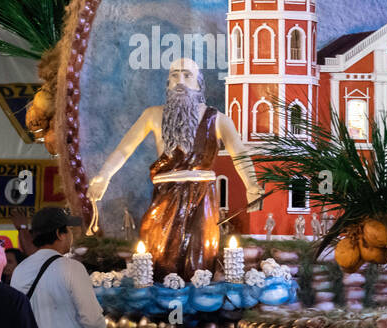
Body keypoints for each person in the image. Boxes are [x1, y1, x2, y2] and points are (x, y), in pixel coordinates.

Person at [87, 58, 263, 278]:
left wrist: (252, 185)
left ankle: (198, 302)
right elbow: (124, 150)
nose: (180, 80)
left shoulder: (218, 120)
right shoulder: (153, 115)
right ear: (168, 83)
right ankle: (161, 303)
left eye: (187, 75)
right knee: (158, 253)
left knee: (200, 256)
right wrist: (104, 176)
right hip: (165, 196)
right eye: (175, 75)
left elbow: (240, 154)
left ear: (198, 84)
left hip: (202, 199)